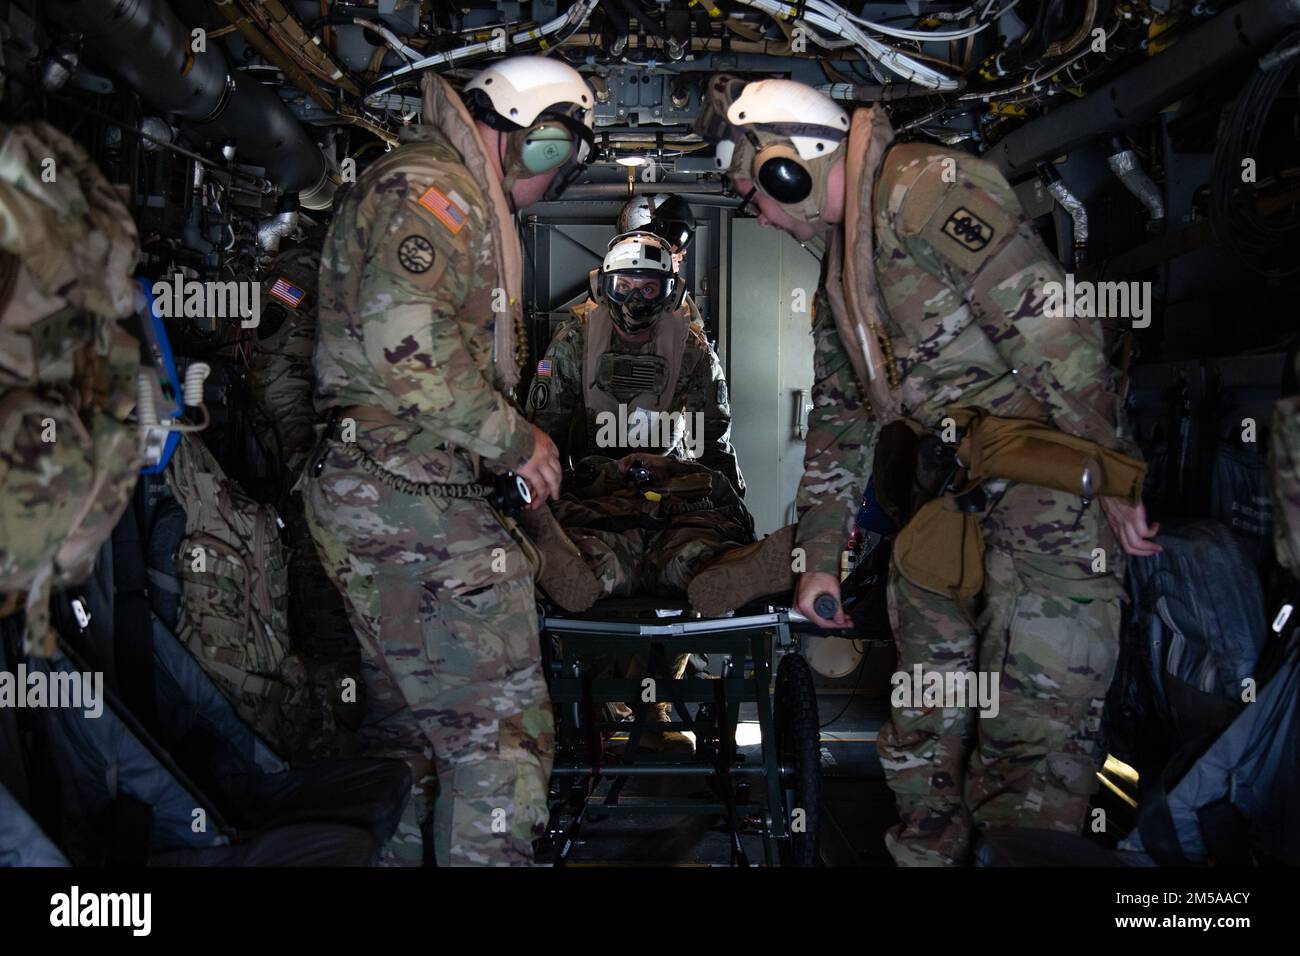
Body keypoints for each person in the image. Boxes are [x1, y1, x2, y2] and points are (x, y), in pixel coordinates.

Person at [695, 75, 1159, 866]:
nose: (762, 215)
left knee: (1035, 737)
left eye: (755, 195)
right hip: (945, 504)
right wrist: (816, 563)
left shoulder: (923, 191)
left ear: (788, 166)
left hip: (1046, 498)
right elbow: (840, 428)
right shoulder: (842, 270)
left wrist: (1110, 474)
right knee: (922, 732)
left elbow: (1052, 326)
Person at [301, 56, 594, 866]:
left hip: (380, 496)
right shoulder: (436, 193)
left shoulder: (424, 184)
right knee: (500, 742)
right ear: (530, 142)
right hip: (408, 496)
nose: (552, 182)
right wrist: (519, 441)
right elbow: (409, 349)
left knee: (409, 736)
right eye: (555, 158)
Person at [528, 224, 744, 495]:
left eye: (649, 289)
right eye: (624, 286)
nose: (635, 300)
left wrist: (725, 502)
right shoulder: (574, 343)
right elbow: (546, 432)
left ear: (671, 294)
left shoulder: (691, 351)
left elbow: (709, 442)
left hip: (666, 485)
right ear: (602, 288)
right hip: (591, 485)